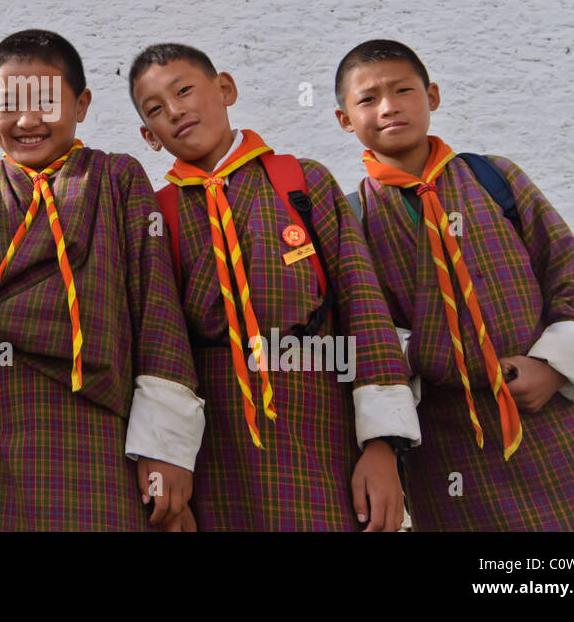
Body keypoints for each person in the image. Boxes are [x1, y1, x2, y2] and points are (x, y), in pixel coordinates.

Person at [335, 38, 574, 530]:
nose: (389, 107)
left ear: (432, 96)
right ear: (344, 120)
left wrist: (552, 367)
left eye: (403, 90)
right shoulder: (351, 218)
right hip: (448, 437)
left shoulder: (494, 179)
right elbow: (367, 331)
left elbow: (573, 280)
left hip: (552, 417)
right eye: (367, 99)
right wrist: (433, 361)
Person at [0, 29, 204, 531]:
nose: (28, 120)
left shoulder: (115, 179)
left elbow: (157, 311)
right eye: (9, 103)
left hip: (100, 434)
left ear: (81, 104)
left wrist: (165, 445)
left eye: (46, 101)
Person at [130, 42, 419, 531]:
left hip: (320, 420)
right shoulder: (157, 212)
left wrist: (381, 445)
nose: (175, 110)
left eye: (184, 91)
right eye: (156, 109)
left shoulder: (299, 181)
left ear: (225, 89)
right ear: (149, 136)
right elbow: (159, 340)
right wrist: (165, 456)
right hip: (216, 442)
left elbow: (364, 309)